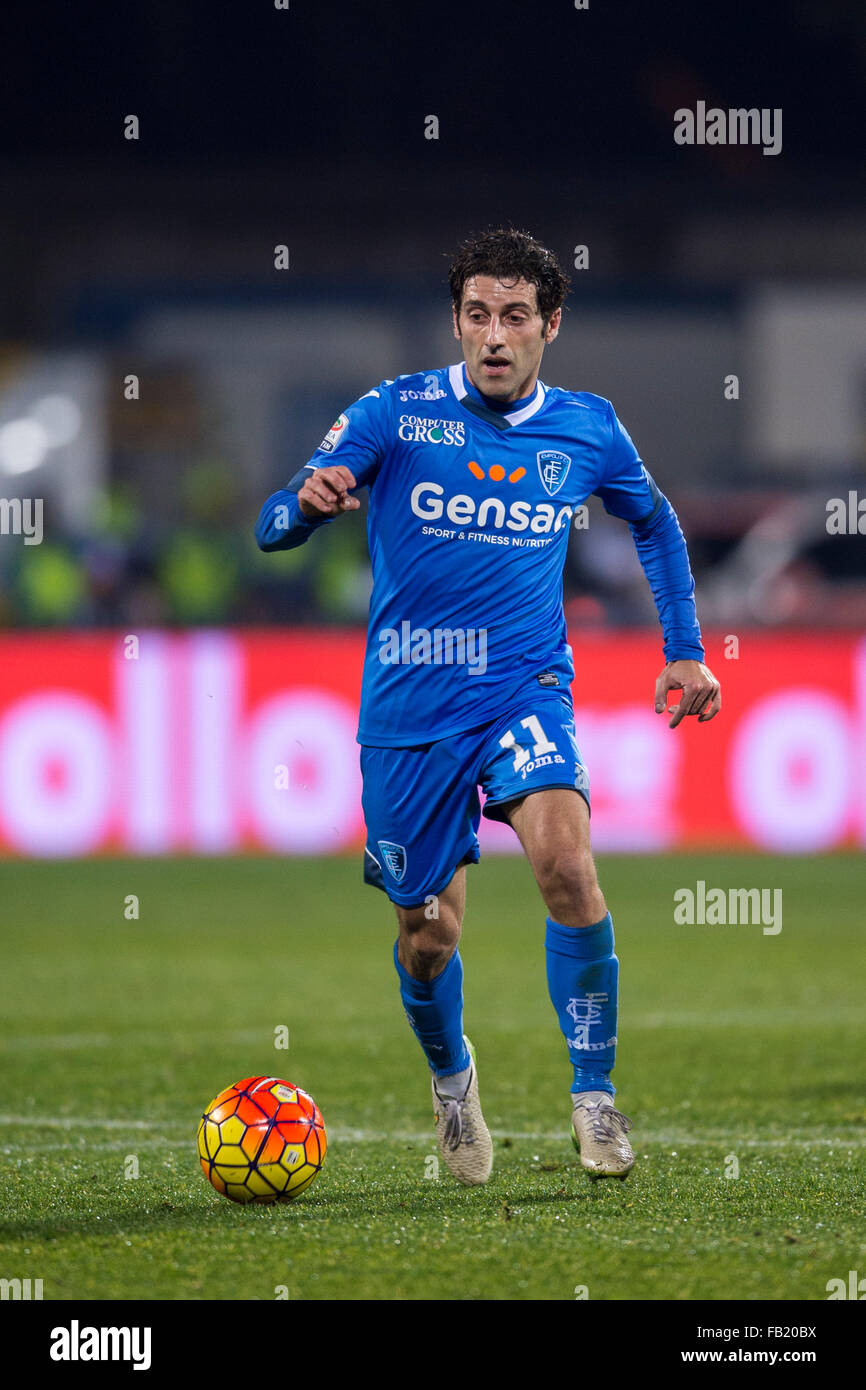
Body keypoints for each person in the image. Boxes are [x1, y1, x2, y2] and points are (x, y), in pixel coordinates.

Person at [255, 228, 721, 1186]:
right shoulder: (395, 411)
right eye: (478, 315)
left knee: (566, 867)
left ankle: (594, 1101)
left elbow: (657, 521)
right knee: (428, 933)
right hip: (409, 706)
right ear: (457, 322)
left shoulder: (589, 428)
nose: (495, 336)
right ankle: (453, 1082)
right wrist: (306, 503)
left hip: (524, 686)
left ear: (551, 324)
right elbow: (271, 525)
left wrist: (682, 650)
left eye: (515, 317)